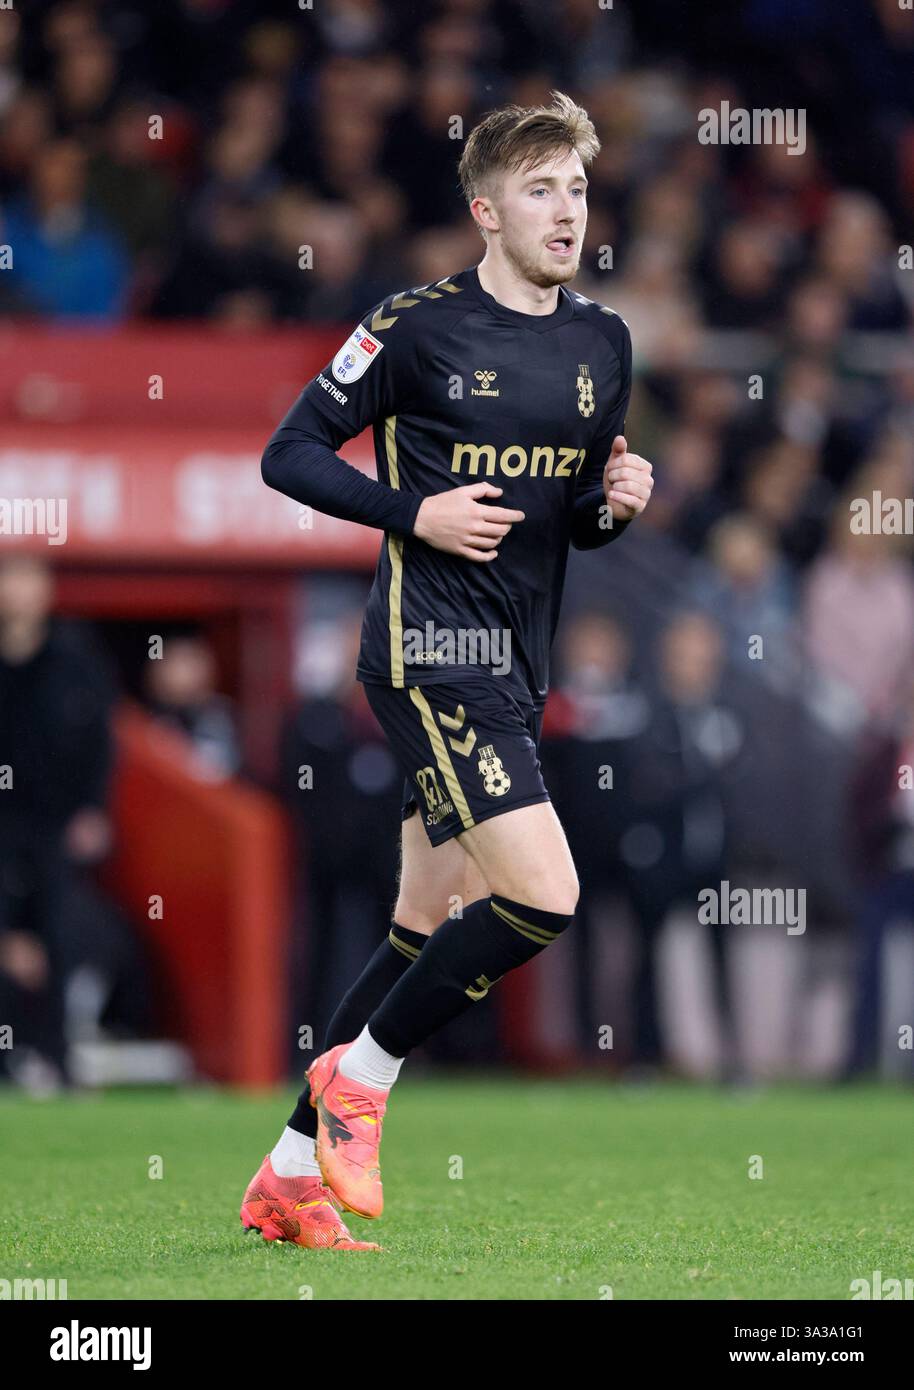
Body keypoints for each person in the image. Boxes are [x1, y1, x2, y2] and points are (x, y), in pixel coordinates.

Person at [241, 92, 654, 1251]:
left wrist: (613, 508)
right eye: (538, 190)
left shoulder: (601, 345)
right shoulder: (412, 328)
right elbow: (286, 455)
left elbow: (565, 518)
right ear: (485, 211)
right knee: (544, 895)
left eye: (575, 188)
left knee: (426, 918)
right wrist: (410, 510)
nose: (565, 211)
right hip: (427, 655)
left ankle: (283, 1174)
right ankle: (362, 1080)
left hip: (515, 662)